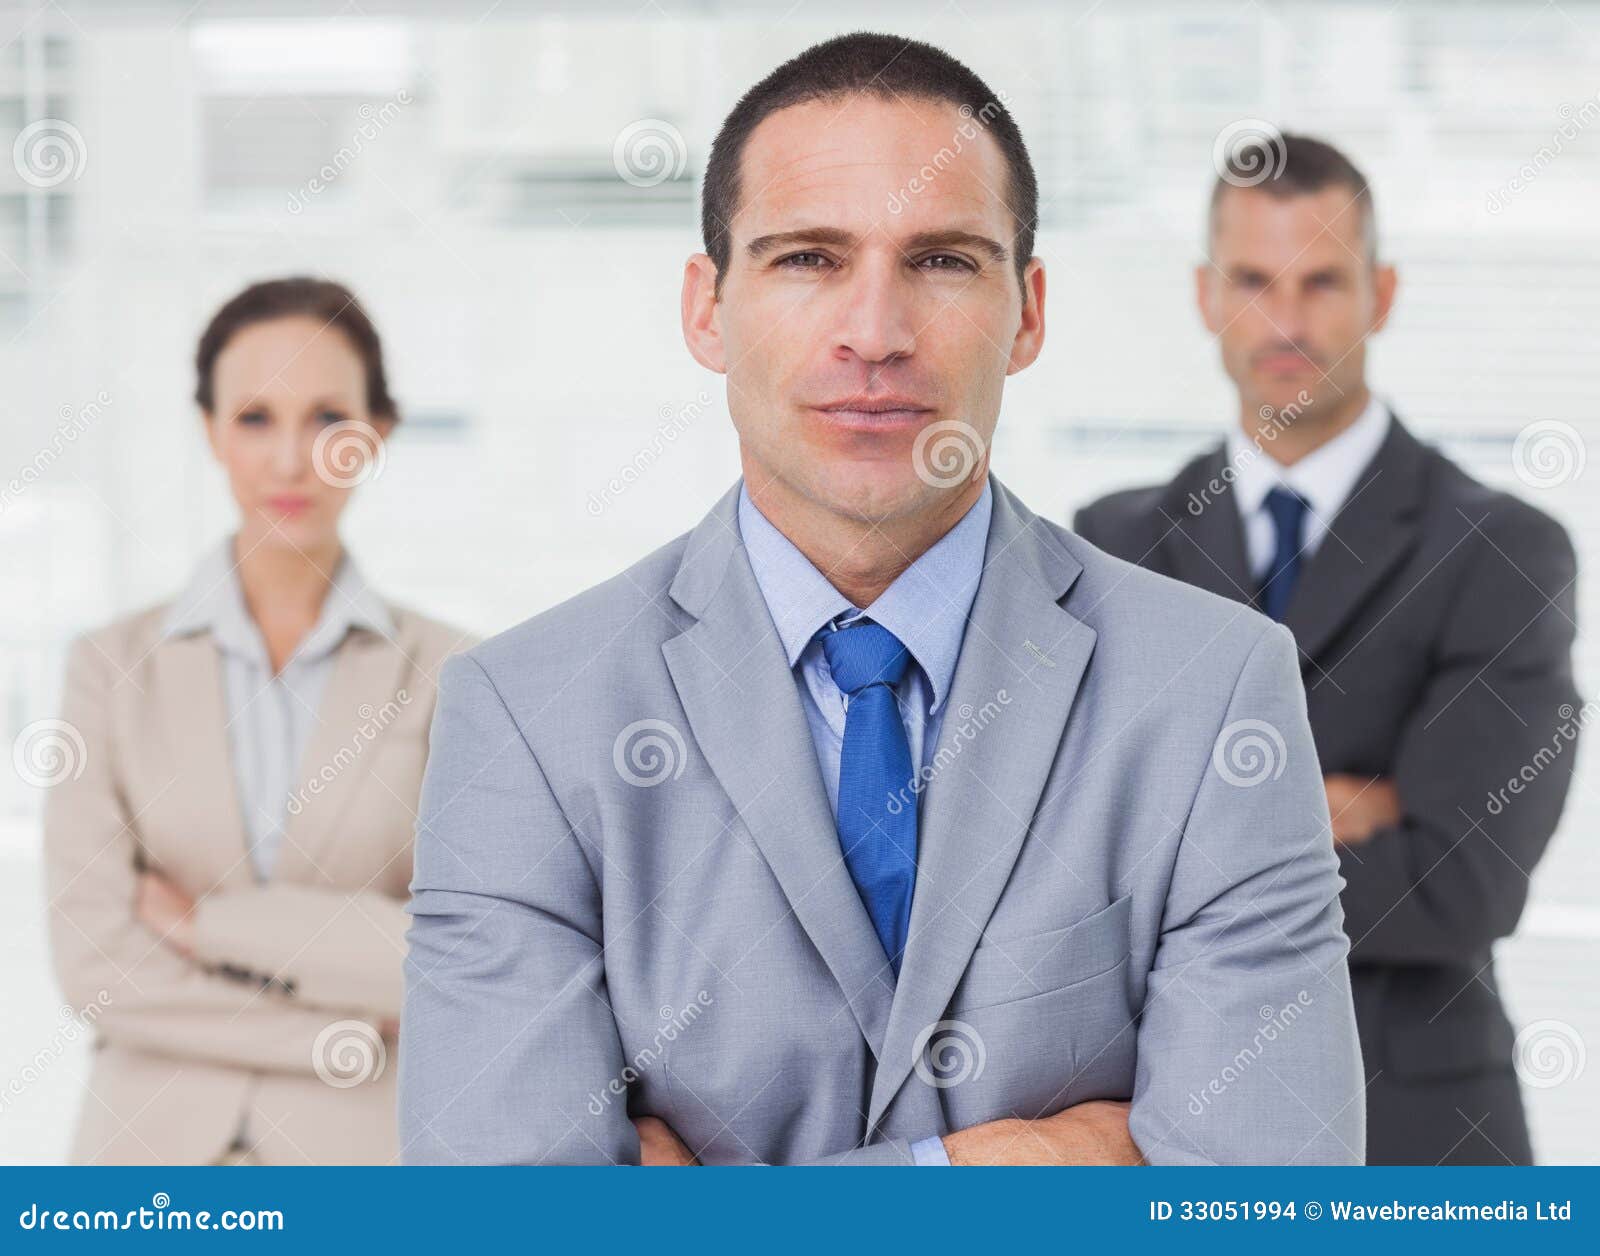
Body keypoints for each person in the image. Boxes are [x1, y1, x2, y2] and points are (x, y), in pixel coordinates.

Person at [400, 34, 1364, 1166]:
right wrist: (997, 1166)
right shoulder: (522, 717)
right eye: (808, 258)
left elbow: (1264, 1204)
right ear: (707, 309)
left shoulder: (1213, 691)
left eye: (942, 260)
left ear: (1028, 312)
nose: (874, 333)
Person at [1075, 135, 1579, 1164]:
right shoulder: (1112, 543)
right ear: (1205, 296)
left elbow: (1458, 884)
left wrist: (1189, 823)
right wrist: (1340, 801)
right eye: (1253, 282)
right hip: (1158, 1128)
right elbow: (1072, 867)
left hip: (1421, 1140)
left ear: (1381, 295)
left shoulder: (1503, 549)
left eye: (1322, 282)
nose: (1287, 323)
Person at [44, 277, 471, 1165]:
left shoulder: (457, 677)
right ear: (210, 431)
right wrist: (342, 1033)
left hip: (360, 1163)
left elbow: (457, 959)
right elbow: (94, 966)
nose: (289, 460)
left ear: (377, 431)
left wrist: (204, 928)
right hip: (144, 1162)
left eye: (327, 419)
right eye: (254, 418)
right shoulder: (109, 669)